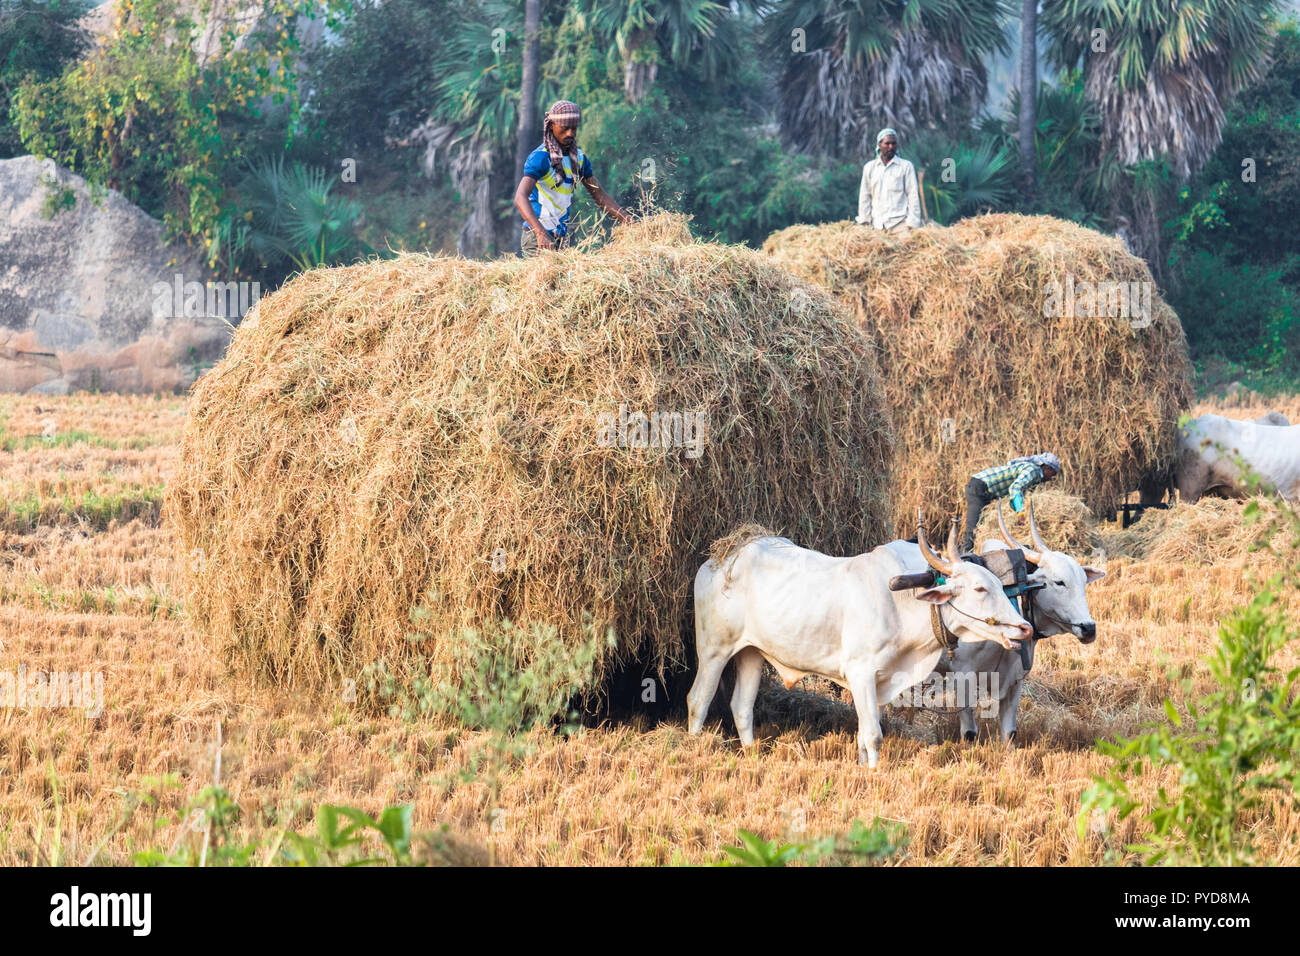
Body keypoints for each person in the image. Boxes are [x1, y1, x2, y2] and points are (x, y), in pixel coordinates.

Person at [513, 100, 632, 256]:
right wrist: (541, 233)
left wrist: (629, 221)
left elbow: (599, 196)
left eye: (573, 128)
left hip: (561, 237)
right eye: (564, 128)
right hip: (537, 237)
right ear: (551, 126)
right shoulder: (541, 157)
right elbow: (520, 197)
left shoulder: (579, 158)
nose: (570, 133)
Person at [961, 453, 1063, 553]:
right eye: (1053, 474)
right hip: (979, 486)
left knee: (981, 526)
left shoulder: (1035, 477)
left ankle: (974, 553)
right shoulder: (1033, 470)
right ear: (1047, 468)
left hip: (986, 491)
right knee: (973, 527)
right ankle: (964, 557)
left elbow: (1019, 495)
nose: (1052, 478)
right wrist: (1020, 513)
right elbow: (1015, 487)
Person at [855, 127, 922, 235]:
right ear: (879, 145)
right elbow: (865, 196)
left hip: (900, 225)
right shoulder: (870, 168)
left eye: (894, 143)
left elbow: (912, 195)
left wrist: (912, 223)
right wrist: (864, 221)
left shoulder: (905, 166)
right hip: (877, 226)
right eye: (887, 144)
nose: (891, 147)